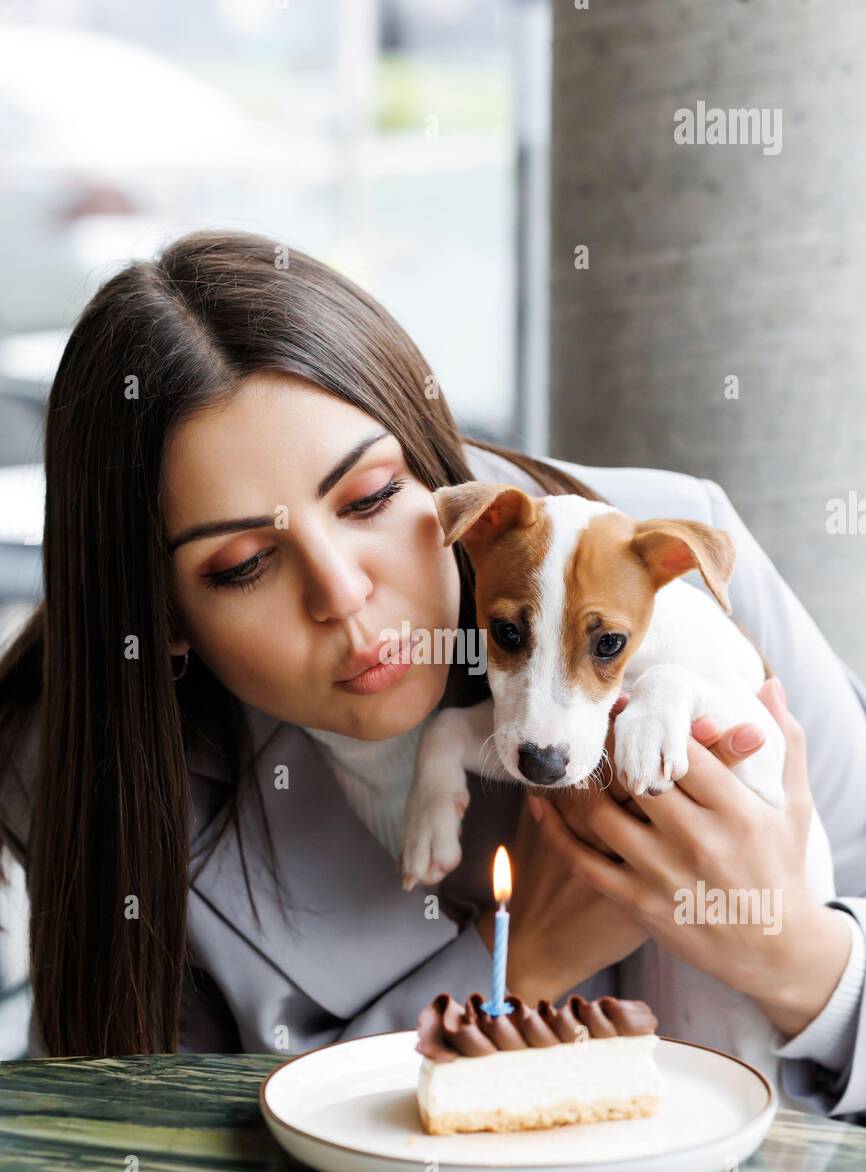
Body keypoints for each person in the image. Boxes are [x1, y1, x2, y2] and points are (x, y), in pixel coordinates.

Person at [0, 230, 863, 1124]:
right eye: (246, 563)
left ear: (433, 465)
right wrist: (519, 963)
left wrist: (799, 962)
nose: (342, 594)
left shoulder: (680, 572)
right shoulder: (85, 771)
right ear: (164, 616)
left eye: (372, 498)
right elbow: (127, 1156)